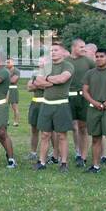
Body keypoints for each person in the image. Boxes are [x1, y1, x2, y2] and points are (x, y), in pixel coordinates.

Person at [31, 41, 74, 171]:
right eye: (51, 50)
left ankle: (64, 163)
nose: (53, 52)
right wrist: (52, 80)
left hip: (61, 104)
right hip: (46, 104)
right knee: (44, 134)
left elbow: (62, 79)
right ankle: (41, 162)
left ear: (63, 52)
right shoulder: (46, 65)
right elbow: (38, 82)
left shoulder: (68, 65)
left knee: (62, 135)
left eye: (56, 50)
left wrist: (47, 78)